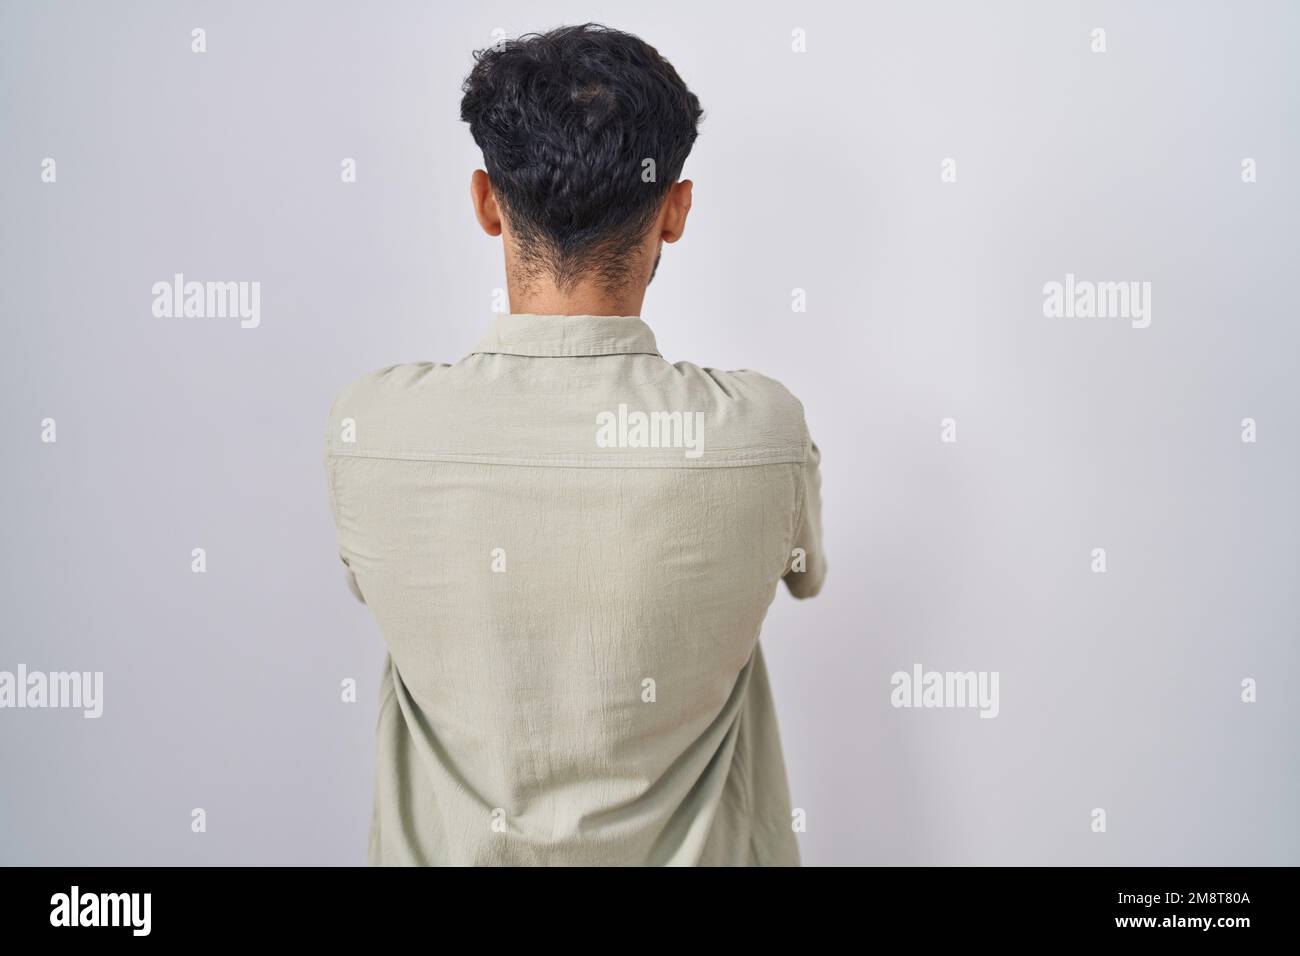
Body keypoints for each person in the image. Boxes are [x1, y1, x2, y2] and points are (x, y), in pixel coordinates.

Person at [325, 23, 825, 866]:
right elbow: (806, 575)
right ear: (675, 210)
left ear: (486, 201)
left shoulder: (371, 428)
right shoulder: (761, 431)